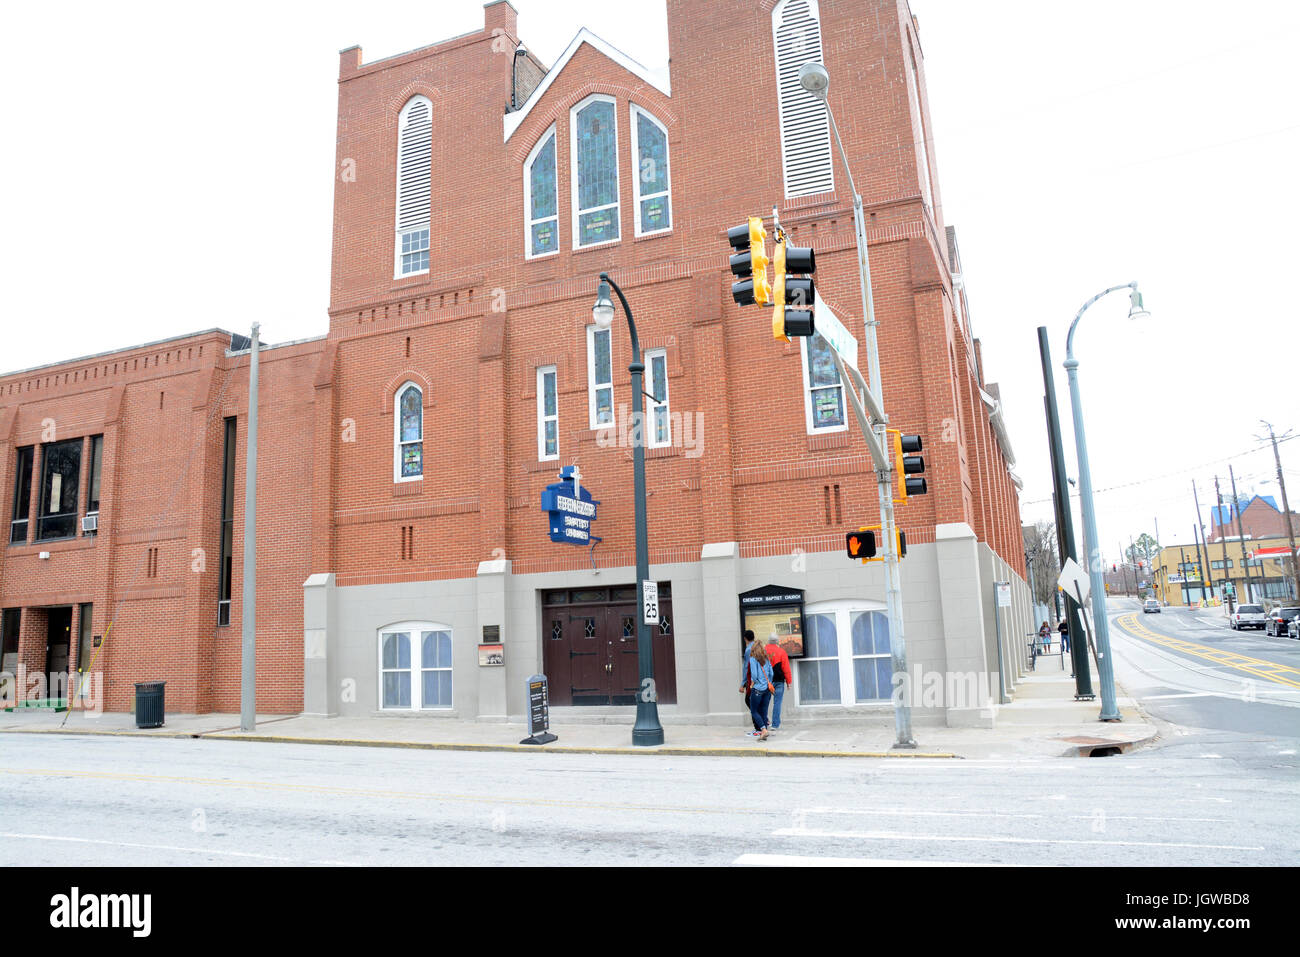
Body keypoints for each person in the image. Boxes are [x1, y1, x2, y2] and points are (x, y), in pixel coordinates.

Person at [740, 640, 774, 740]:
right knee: (764, 711)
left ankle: (763, 730)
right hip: (767, 690)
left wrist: (753, 683)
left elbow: (754, 676)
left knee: (754, 711)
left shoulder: (753, 659)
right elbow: (771, 673)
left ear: (753, 649)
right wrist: (768, 682)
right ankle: (765, 732)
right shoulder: (766, 659)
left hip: (758, 689)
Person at [764, 637, 792, 732]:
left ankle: (764, 723)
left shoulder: (763, 651)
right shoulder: (781, 651)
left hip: (766, 681)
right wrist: (788, 682)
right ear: (777, 642)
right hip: (779, 681)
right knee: (777, 702)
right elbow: (786, 668)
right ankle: (775, 725)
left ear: (768, 641)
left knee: (764, 702)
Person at [740, 630, 756, 712]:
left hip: (752, 679)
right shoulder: (759, 647)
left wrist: (743, 684)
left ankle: (761, 721)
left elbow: (746, 667)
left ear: (745, 638)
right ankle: (762, 720)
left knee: (748, 700)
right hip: (761, 679)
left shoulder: (748, 649)